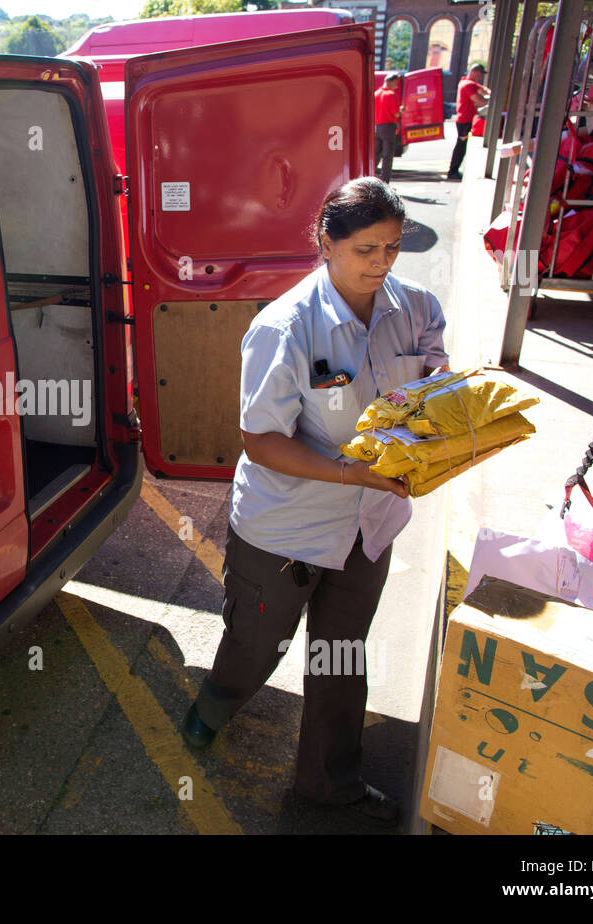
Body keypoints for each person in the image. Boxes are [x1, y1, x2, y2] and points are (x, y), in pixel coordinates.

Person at [179, 177, 449, 827]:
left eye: (391, 248)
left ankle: (329, 786)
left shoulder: (414, 307)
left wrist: (442, 420)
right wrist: (348, 474)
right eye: (365, 250)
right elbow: (262, 440)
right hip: (285, 532)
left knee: (341, 658)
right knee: (254, 648)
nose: (381, 264)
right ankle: (213, 706)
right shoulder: (285, 328)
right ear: (324, 244)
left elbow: (438, 377)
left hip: (369, 529)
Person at [448, 63, 490, 180]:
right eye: (481, 74)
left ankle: (453, 170)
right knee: (460, 146)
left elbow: (482, 90)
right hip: (464, 119)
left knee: (461, 145)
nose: (481, 77)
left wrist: (488, 93)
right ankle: (453, 171)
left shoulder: (466, 82)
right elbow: (478, 99)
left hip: (465, 118)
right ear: (475, 72)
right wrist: (491, 100)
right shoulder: (468, 84)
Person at [373, 74, 403, 183]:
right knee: (387, 156)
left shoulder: (376, 93)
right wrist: (401, 110)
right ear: (391, 81)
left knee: (375, 155)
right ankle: (385, 181)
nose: (396, 85)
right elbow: (395, 113)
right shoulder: (391, 94)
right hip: (388, 126)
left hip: (377, 126)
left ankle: (370, 177)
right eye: (396, 82)